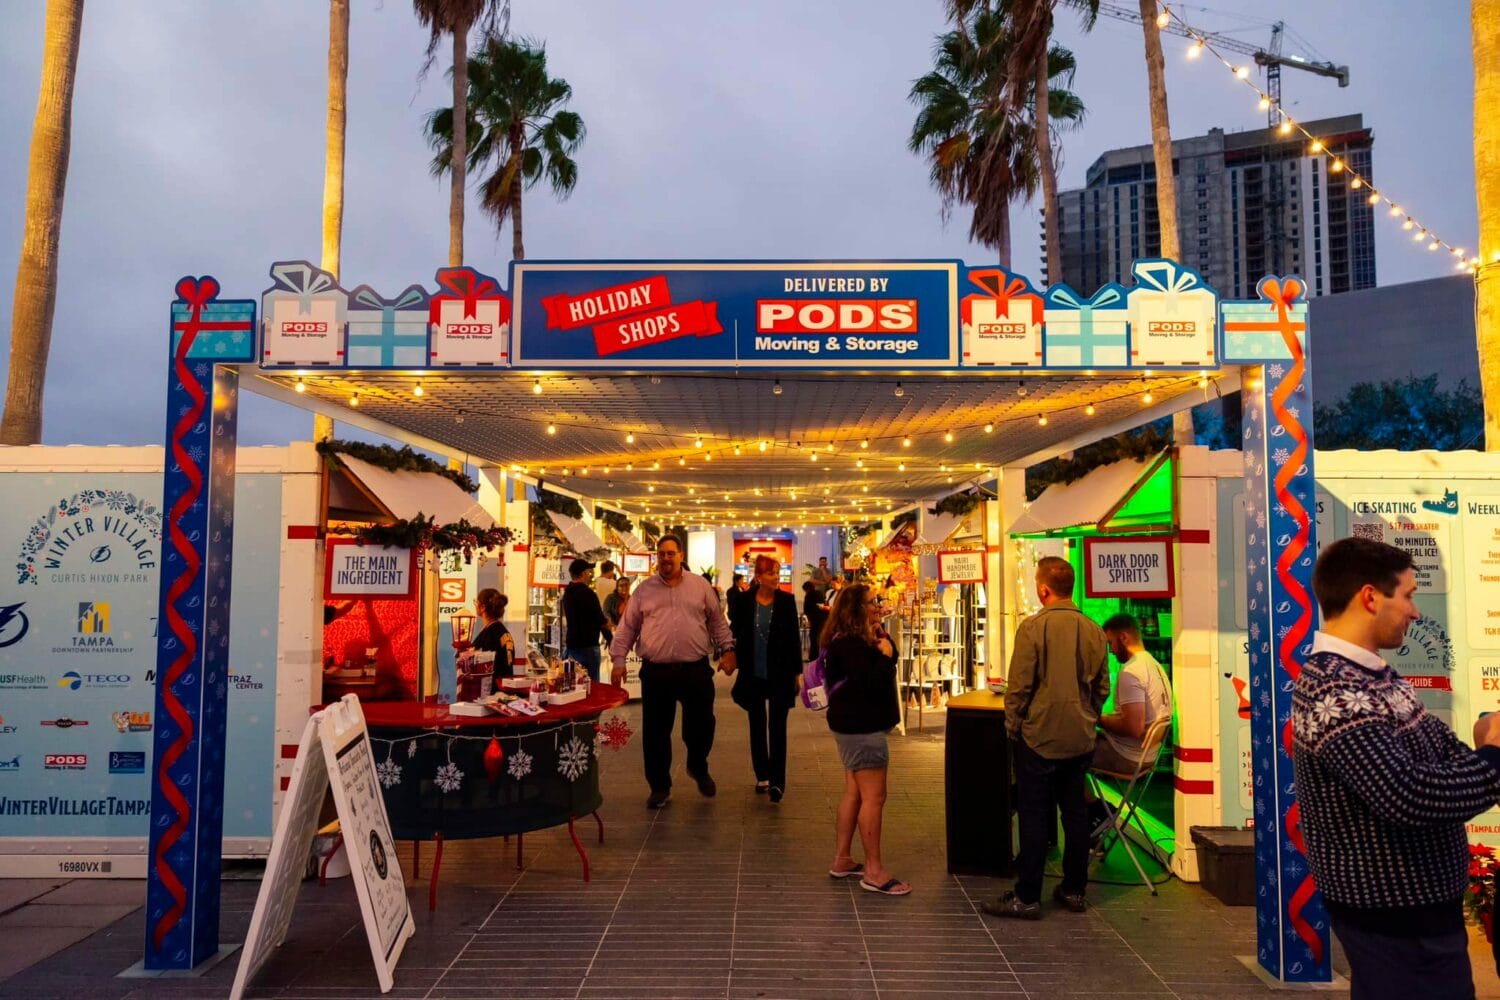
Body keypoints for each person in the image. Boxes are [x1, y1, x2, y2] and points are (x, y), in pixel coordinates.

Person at [1294, 537, 1500, 999]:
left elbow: (1444, 755)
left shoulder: (1376, 676)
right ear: (1370, 597)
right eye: (1407, 595)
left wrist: (1483, 748)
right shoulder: (1334, 689)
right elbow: (1407, 795)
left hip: (1418, 916)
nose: (1415, 612)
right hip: (1395, 922)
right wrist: (1495, 756)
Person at [984, 556, 1109, 920]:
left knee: (1035, 816)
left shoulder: (1032, 629)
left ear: (1043, 589)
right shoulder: (1094, 630)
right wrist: (1088, 715)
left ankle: (1027, 895)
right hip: (1080, 739)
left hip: (1039, 738)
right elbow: (1103, 686)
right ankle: (1074, 889)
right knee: (1074, 813)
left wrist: (1013, 725)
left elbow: (1019, 687)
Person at [610, 534, 737, 809]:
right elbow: (627, 628)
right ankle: (659, 787)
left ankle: (697, 765)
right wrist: (618, 660)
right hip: (657, 674)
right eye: (661, 554)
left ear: (680, 555)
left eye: (670, 553)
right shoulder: (643, 590)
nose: (665, 558)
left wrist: (728, 649)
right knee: (655, 732)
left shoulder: (700, 586)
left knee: (702, 725)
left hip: (695, 671)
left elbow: (717, 622)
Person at [823, 583, 907, 895]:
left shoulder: (854, 638)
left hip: (851, 726)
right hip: (862, 729)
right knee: (874, 797)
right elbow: (870, 682)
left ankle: (843, 858)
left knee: (854, 793)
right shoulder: (851, 645)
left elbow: (888, 656)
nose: (878, 605)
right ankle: (874, 871)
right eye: (872, 602)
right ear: (856, 608)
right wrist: (884, 657)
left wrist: (884, 644)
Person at [729, 556, 803, 802]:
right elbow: (736, 631)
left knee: (778, 726)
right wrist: (729, 655)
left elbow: (794, 638)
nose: (776, 577)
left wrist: (798, 672)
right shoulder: (743, 601)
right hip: (753, 672)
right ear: (759, 577)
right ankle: (762, 774)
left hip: (780, 673)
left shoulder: (787, 601)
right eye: (771, 573)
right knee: (757, 723)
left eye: (777, 572)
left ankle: (777, 782)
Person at [1094, 613, 1172, 775]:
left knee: (1066, 754)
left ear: (1123, 637)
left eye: (1110, 643)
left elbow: (1133, 727)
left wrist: (1097, 719)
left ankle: (1088, 801)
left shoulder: (1131, 671)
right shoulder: (1154, 664)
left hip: (1127, 757)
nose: (1111, 651)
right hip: (1147, 755)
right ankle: (1089, 800)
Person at [561, 558, 608, 682]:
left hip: (572, 645)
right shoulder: (588, 593)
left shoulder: (567, 594)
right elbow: (599, 619)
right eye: (588, 572)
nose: (589, 575)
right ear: (583, 574)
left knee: (573, 683)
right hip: (588, 646)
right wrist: (610, 637)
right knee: (591, 684)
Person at [471, 588, 516, 691]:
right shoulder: (502, 631)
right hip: (504, 689)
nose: (475, 605)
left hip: (491, 693)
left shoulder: (490, 634)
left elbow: (482, 667)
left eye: (476, 602)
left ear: (482, 607)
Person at [802, 580, 830, 662]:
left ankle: (813, 657)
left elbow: (806, 609)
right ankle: (820, 656)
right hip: (824, 619)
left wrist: (808, 620)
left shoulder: (808, 596)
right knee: (819, 638)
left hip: (815, 620)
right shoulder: (819, 593)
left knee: (813, 638)